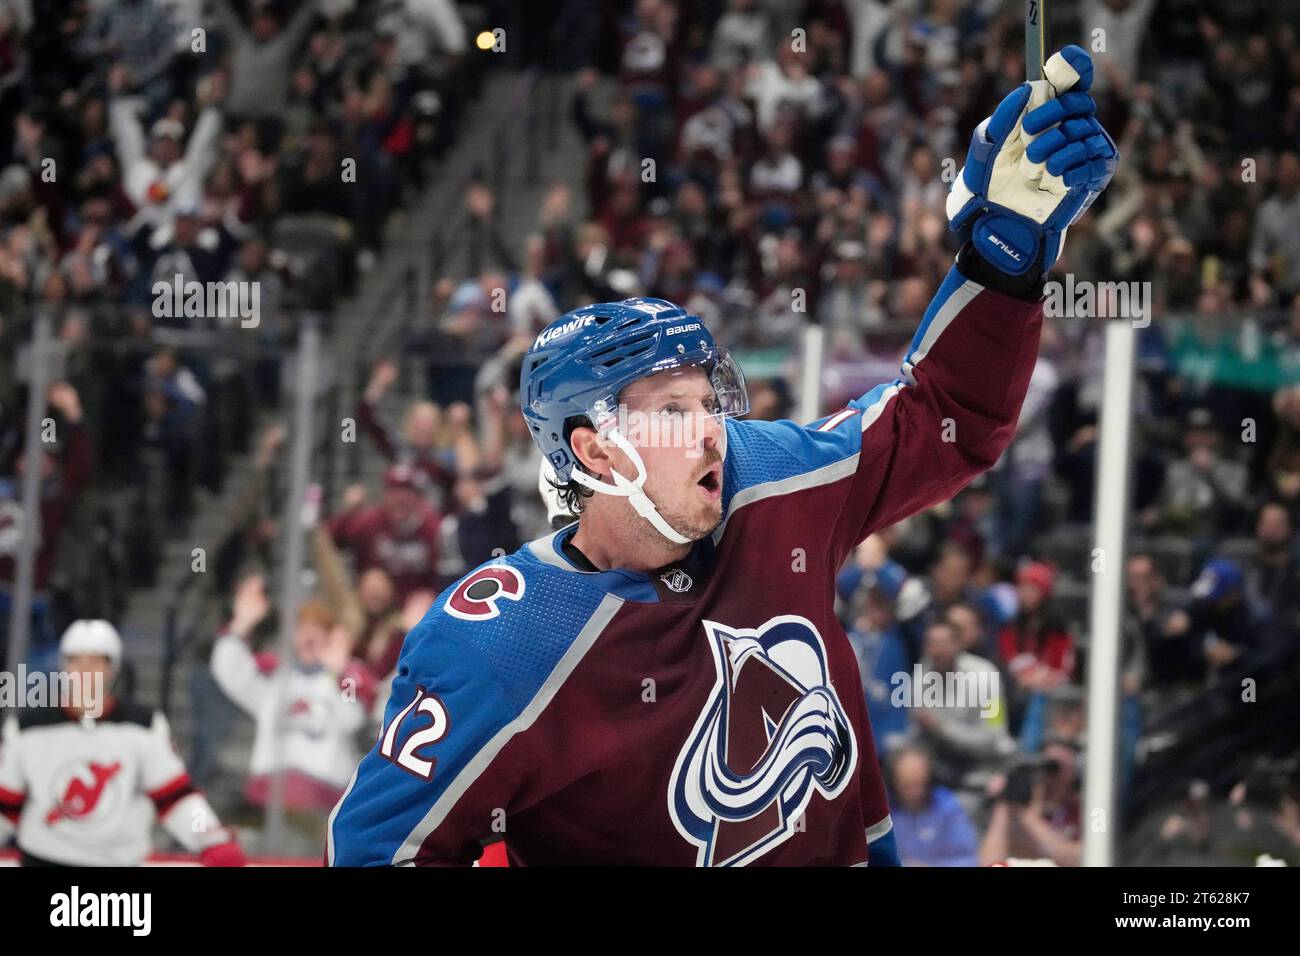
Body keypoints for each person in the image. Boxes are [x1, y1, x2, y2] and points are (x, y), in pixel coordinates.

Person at [327, 46, 1118, 866]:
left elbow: (946, 416)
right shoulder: (501, 644)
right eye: (674, 413)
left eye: (711, 401)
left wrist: (1005, 257)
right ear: (597, 454)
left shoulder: (767, 479)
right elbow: (381, 850)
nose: (710, 430)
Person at [0, 621, 245, 866]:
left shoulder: (143, 725)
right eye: (76, 662)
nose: (84, 672)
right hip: (42, 861)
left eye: (94, 663)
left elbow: (177, 799)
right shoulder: (27, 728)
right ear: (64, 666)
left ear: (112, 668)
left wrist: (210, 837)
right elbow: (4, 805)